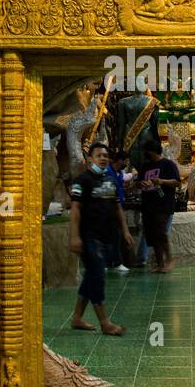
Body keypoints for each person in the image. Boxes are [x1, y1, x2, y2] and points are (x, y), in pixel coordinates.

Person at [70, 142, 133, 335]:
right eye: (99, 155)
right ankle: (105, 322)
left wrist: (125, 231)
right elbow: (75, 210)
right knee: (98, 275)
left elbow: (117, 208)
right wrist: (74, 236)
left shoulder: (111, 180)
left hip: (105, 236)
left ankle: (77, 318)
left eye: (106, 155)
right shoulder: (82, 180)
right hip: (88, 237)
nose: (103, 158)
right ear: (90, 159)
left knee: (91, 275)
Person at [139, 140, 181, 273]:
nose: (145, 154)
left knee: (160, 232)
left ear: (152, 151)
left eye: (147, 151)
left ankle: (169, 259)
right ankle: (160, 263)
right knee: (152, 234)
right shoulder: (145, 166)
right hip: (148, 204)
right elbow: (138, 183)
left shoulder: (168, 164)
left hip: (163, 204)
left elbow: (177, 182)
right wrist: (141, 184)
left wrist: (161, 181)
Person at [105, 148, 131, 273]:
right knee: (109, 236)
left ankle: (115, 262)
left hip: (117, 206)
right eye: (125, 160)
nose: (125, 163)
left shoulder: (119, 173)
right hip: (108, 208)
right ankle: (109, 262)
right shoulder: (108, 172)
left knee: (115, 235)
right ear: (119, 160)